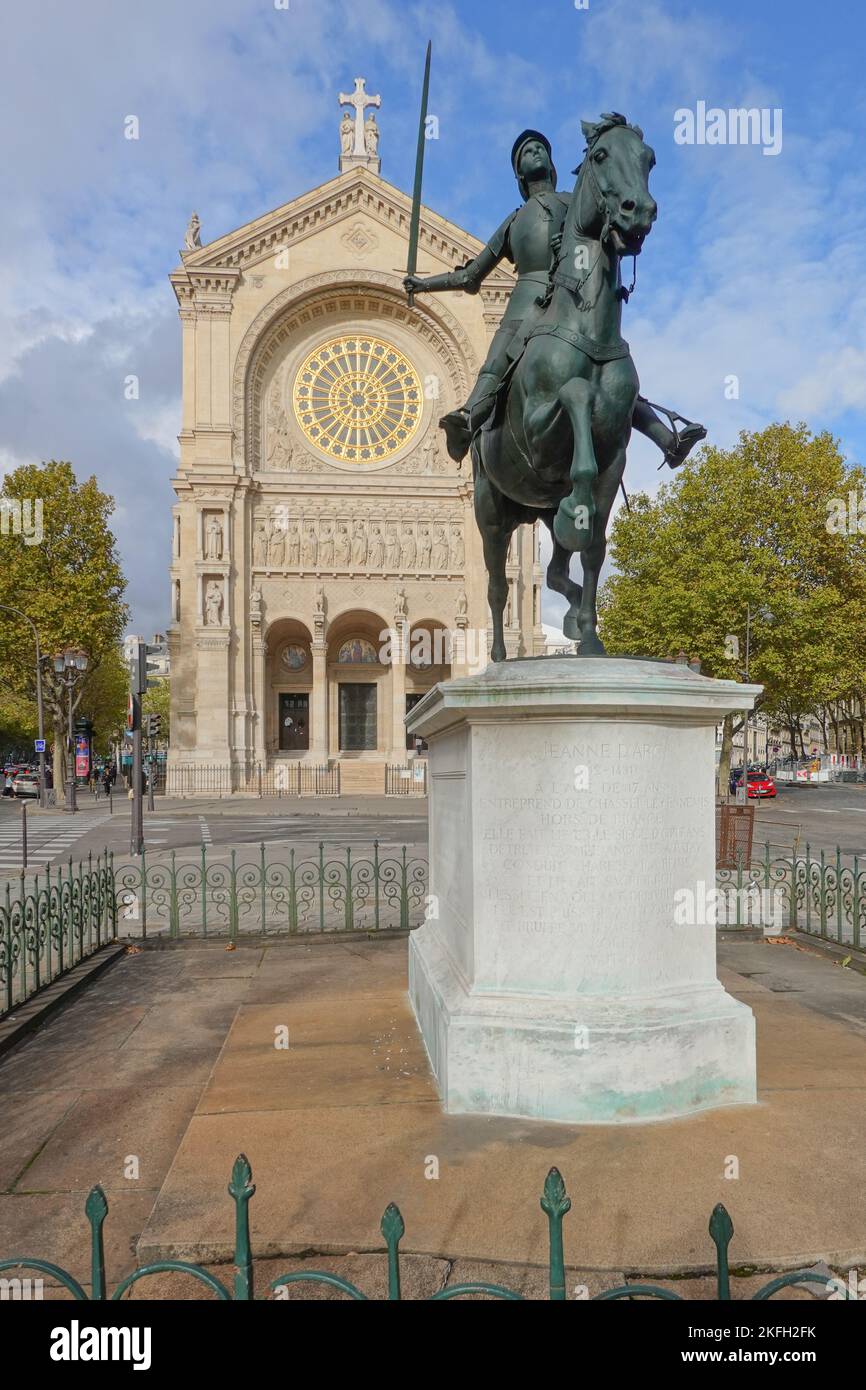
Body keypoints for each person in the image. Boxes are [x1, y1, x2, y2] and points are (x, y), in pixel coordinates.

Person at [405, 129, 706, 467]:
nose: (534, 153)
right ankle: (468, 418)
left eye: (540, 149)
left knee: (609, 365)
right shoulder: (514, 220)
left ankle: (668, 439)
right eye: (525, 153)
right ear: (519, 172)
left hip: (570, 294)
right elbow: (472, 276)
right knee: (496, 361)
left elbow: (604, 227)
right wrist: (422, 284)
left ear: (552, 163)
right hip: (525, 302)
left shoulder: (573, 203)